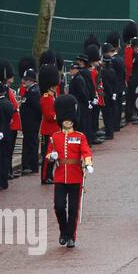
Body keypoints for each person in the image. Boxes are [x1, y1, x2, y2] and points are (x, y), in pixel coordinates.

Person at [47, 93, 93, 248]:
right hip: (60, 176)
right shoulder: (55, 137)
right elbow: (48, 154)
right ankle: (63, 231)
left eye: (69, 119)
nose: (67, 121)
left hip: (75, 176)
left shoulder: (80, 137)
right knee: (59, 206)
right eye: (65, 119)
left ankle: (71, 236)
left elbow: (86, 151)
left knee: (73, 209)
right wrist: (51, 156)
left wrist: (88, 163)